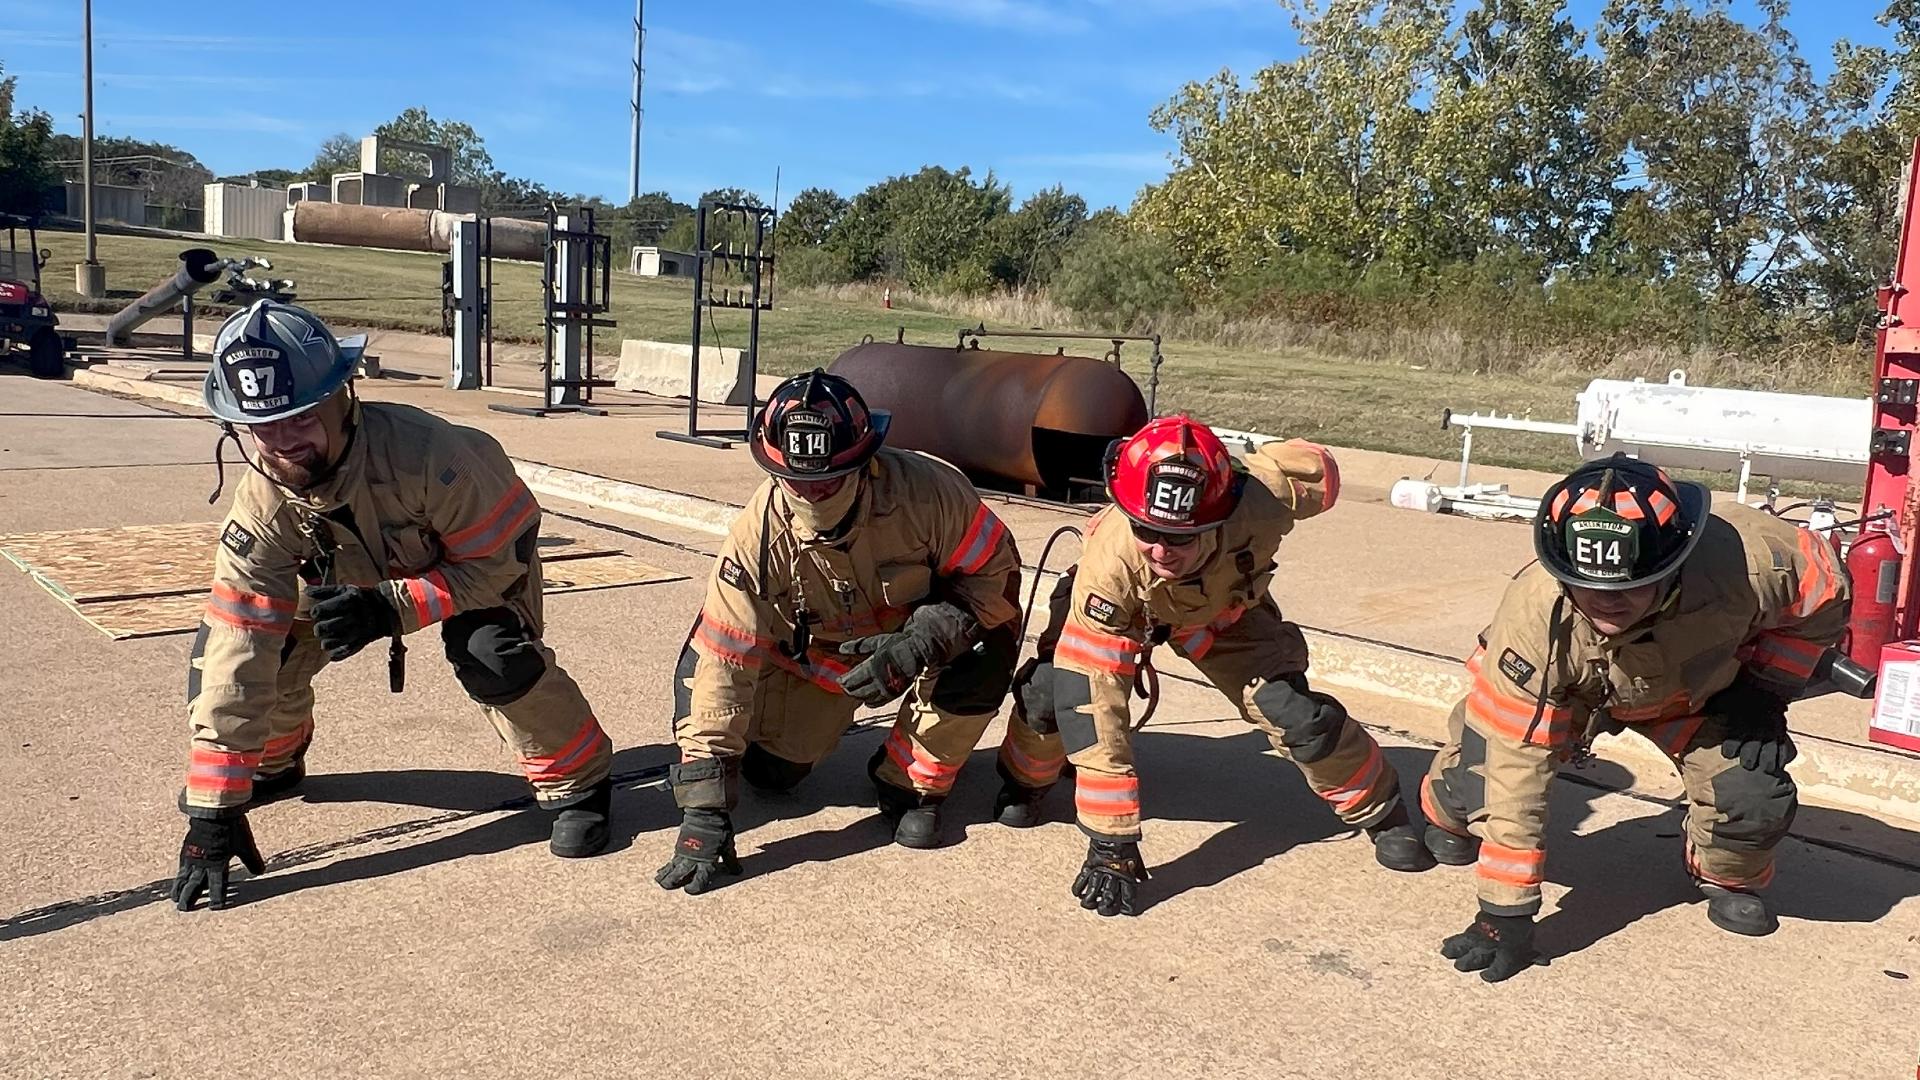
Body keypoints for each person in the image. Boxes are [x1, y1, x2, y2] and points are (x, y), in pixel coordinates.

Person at [171, 300, 614, 912]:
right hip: (347, 584)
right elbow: (236, 643)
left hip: (469, 574)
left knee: (492, 654)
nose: (281, 444)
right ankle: (273, 760)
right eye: (259, 426)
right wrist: (213, 809)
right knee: (260, 648)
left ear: (342, 397)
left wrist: (389, 608)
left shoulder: (438, 456)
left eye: (298, 418)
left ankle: (580, 781)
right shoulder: (263, 503)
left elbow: (495, 565)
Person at [1423, 453, 1850, 982]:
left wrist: (1764, 692)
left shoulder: (1754, 561)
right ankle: (1443, 808)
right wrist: (1503, 912)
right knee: (1480, 781)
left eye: (1630, 585)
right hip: (1572, 697)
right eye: (1589, 586)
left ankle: (1722, 874)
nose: (1609, 601)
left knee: (1754, 798)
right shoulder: (1532, 618)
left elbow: (1825, 600)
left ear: (1677, 560)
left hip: (1693, 697)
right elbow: (1514, 762)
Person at [1008, 416, 1435, 919]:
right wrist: (1111, 842)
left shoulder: (1262, 499)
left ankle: (1381, 810)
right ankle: (1023, 780)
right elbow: (1095, 703)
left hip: (1223, 617)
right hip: (1130, 612)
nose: (1162, 550)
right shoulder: (1112, 564)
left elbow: (1317, 469)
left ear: (1219, 516)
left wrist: (1262, 465)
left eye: (1181, 539)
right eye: (1147, 531)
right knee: (1052, 696)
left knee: (1298, 716)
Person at [655, 369, 1023, 894]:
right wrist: (704, 809)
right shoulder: (753, 541)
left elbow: (997, 579)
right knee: (774, 776)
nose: (813, 493)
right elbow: (723, 661)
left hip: (919, 649)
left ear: (864, 460)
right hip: (818, 667)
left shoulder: (931, 496)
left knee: (993, 641)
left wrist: (922, 640)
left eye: (827, 479)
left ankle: (909, 782)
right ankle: (782, 748)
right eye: (798, 482)